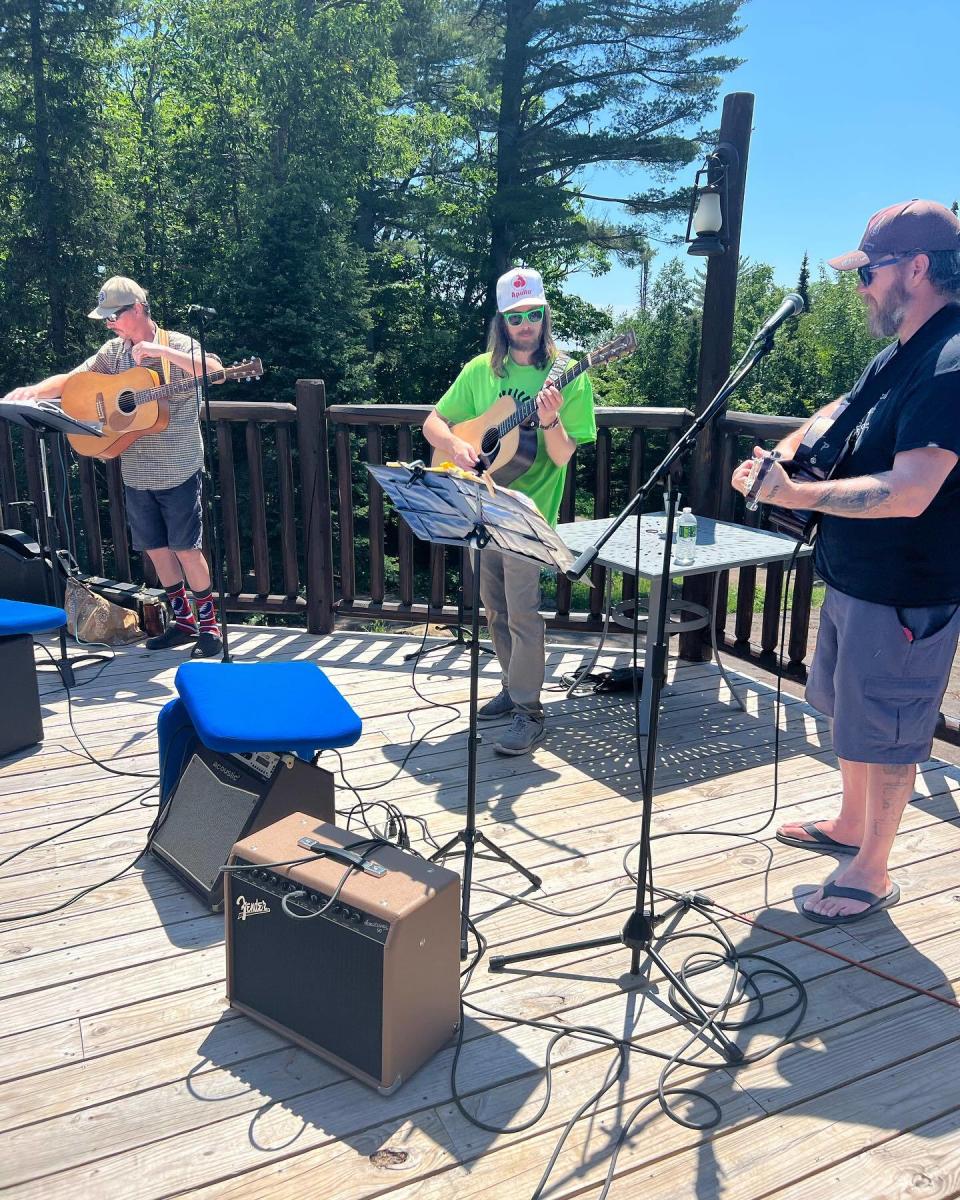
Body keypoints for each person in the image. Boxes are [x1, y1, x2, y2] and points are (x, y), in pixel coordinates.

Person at [732, 199, 960, 925]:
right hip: (856, 576)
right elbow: (839, 409)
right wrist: (786, 453)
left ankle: (874, 866)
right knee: (852, 716)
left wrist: (799, 493)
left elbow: (912, 489)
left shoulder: (952, 360)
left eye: (870, 271)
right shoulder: (900, 352)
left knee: (888, 730)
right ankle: (850, 824)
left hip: (905, 591)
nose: (860, 285)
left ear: (916, 268)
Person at [423, 267, 597, 755]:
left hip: (529, 512)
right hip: (479, 506)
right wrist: (456, 445)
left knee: (523, 613)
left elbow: (562, 455)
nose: (526, 324)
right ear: (501, 321)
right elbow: (433, 421)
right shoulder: (482, 370)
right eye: (516, 316)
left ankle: (529, 711)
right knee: (494, 609)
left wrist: (551, 419)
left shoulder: (567, 374)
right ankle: (512, 686)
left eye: (534, 314)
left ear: (546, 316)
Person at [2, 276, 225, 657]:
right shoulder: (114, 352)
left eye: (114, 317)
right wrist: (34, 391)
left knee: (186, 548)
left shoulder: (177, 344)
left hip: (178, 467)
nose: (110, 324)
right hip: (136, 468)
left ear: (137, 309)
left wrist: (159, 351)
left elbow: (216, 370)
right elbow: (74, 381)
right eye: (106, 319)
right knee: (155, 548)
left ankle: (210, 628)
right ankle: (183, 621)